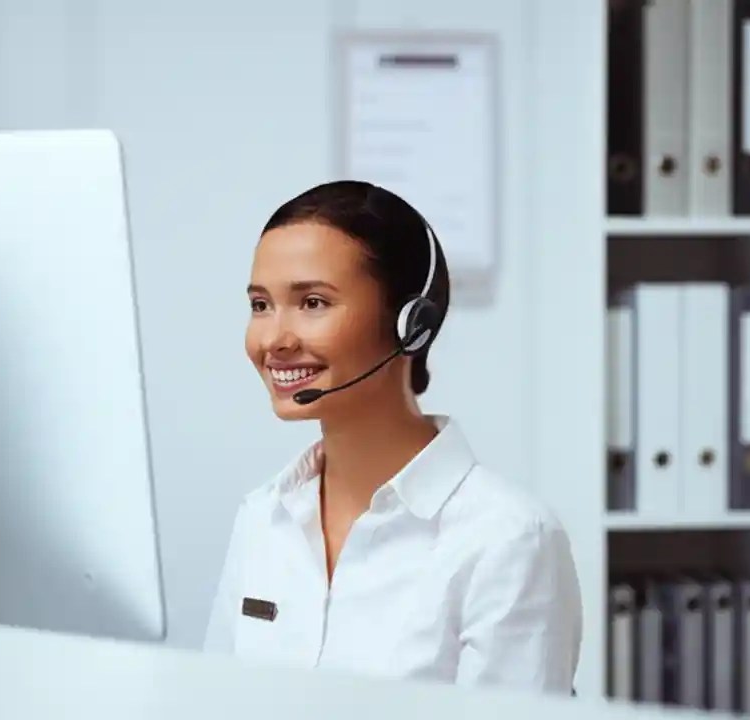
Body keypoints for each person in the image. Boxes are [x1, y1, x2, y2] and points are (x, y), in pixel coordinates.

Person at [204, 180, 582, 693]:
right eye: (260, 305)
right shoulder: (262, 518)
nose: (274, 340)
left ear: (411, 325)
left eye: (313, 303)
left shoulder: (508, 541)